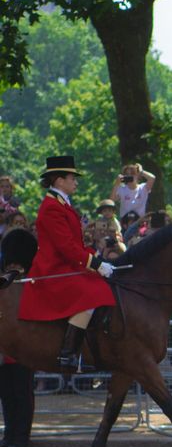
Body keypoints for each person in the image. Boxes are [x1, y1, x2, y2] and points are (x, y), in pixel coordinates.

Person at [18, 156, 117, 371]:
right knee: (93, 293)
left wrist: (96, 258)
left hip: (68, 264)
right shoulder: (52, 207)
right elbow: (66, 247)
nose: (76, 182)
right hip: (54, 268)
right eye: (72, 178)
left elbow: (74, 244)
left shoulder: (62, 203)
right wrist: (96, 263)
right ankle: (68, 354)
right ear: (59, 180)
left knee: (99, 286)